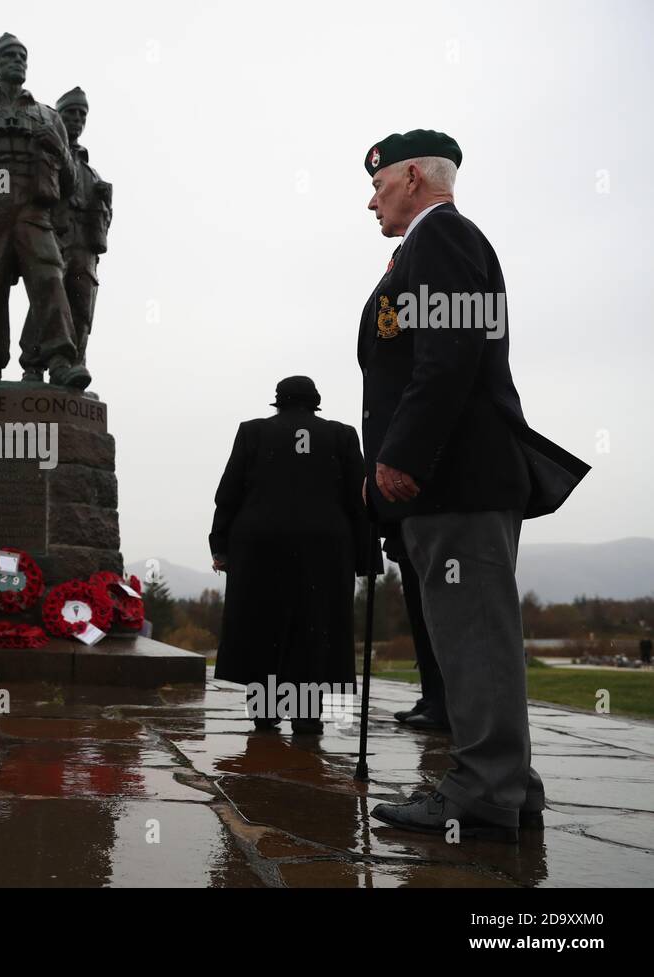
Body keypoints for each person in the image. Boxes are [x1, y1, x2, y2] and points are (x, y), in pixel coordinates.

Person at [358, 130, 589, 842]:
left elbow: (448, 355)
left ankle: (486, 788)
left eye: (380, 183)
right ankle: (507, 782)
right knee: (472, 633)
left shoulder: (443, 239)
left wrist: (403, 454)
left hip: (454, 475)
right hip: (451, 477)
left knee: (473, 634)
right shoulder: (429, 246)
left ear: (416, 178)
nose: (371, 199)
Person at [209, 377, 374, 734]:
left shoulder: (252, 433)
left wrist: (220, 546)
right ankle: (306, 713)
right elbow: (360, 502)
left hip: (260, 545)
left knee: (263, 625)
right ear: (315, 402)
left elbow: (229, 493)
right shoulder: (341, 436)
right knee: (315, 626)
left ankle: (266, 712)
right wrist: (366, 558)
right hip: (326, 548)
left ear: (278, 403)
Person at [0, 33, 89, 388]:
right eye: (9, 56)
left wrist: (58, 147)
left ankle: (59, 360)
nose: (17, 61)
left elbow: (69, 184)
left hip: (32, 210)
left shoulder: (48, 116)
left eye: (22, 56)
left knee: (49, 278)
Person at [18, 85, 112, 377]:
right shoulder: (46, 154)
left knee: (81, 308)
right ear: (58, 116)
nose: (77, 119)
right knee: (47, 300)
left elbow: (105, 215)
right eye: (70, 113)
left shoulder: (91, 170)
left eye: (81, 114)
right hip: (54, 236)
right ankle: (32, 366)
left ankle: (75, 365)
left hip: (85, 246)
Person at [384, 536, 449, 731]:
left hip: (433, 531)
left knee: (433, 618)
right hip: (408, 531)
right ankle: (431, 697)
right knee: (419, 617)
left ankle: (442, 702)